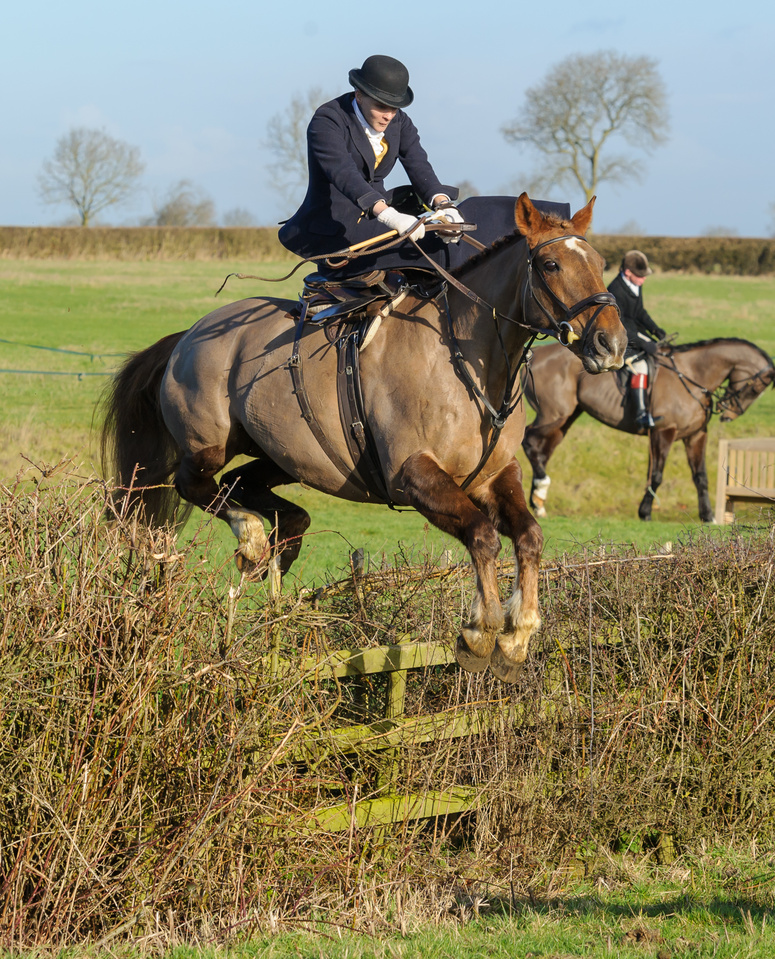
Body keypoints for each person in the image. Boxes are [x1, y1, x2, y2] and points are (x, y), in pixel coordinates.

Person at [278, 54, 466, 277]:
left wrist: (443, 205)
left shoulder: (399, 121)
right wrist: (389, 216)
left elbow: (419, 165)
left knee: (449, 245)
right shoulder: (327, 120)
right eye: (381, 107)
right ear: (359, 95)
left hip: (375, 220)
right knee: (431, 252)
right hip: (334, 227)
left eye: (394, 108)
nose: (389, 116)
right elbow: (344, 173)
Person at [607, 250, 667, 429]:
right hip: (618, 335)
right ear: (628, 272)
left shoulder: (635, 284)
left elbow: (640, 312)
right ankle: (640, 414)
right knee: (640, 365)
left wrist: (655, 329)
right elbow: (621, 324)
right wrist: (643, 343)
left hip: (633, 330)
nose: (644, 279)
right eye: (641, 276)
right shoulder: (615, 290)